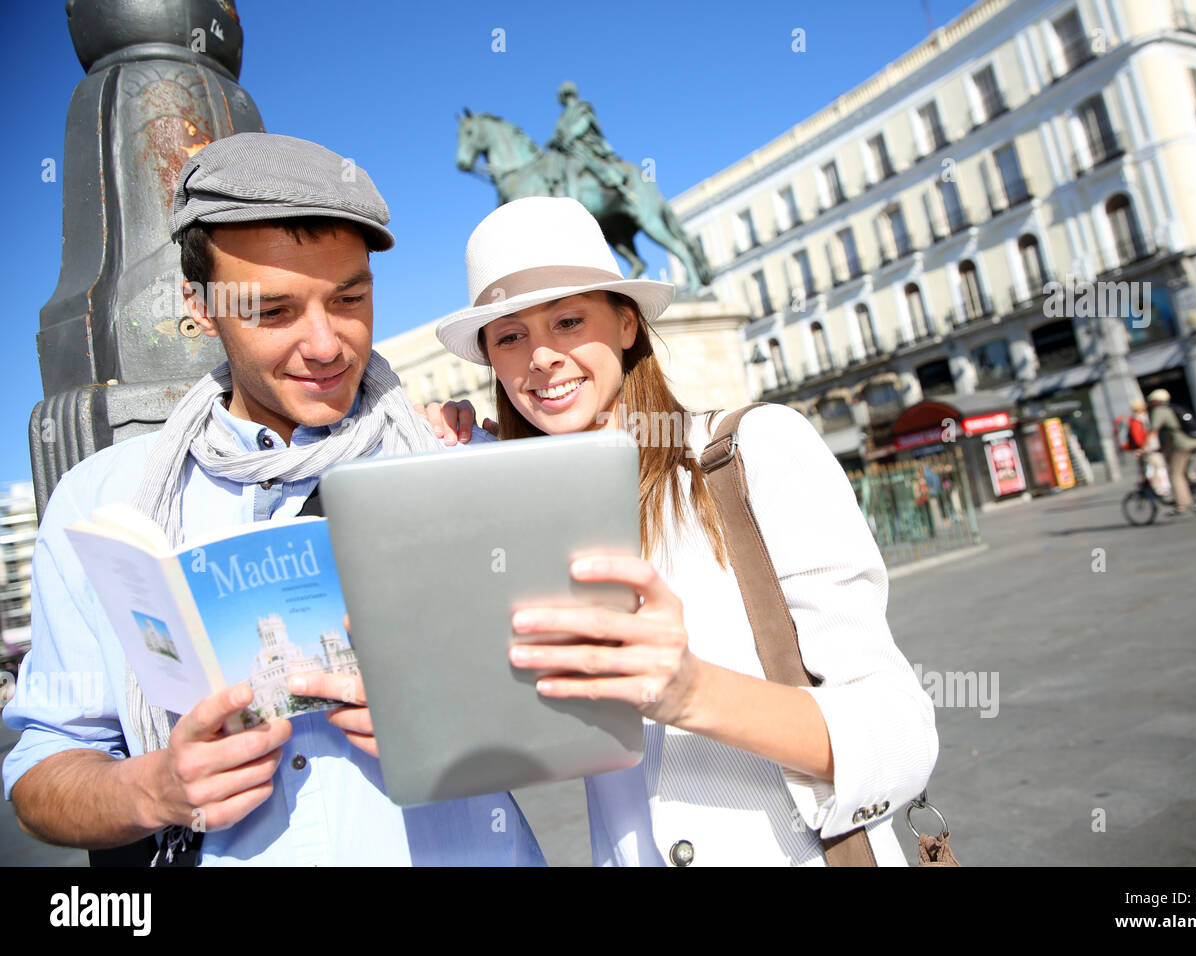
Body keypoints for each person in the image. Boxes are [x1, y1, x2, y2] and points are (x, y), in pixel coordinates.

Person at [2, 133, 543, 866]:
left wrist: (464, 719)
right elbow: (43, 772)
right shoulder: (100, 502)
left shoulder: (463, 463)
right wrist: (154, 791)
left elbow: (593, 708)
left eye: (350, 298)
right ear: (198, 306)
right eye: (273, 311)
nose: (326, 345)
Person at [433, 197, 938, 866]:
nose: (542, 357)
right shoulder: (520, 520)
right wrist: (443, 477)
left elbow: (900, 736)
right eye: (510, 336)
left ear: (625, 325)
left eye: (569, 320)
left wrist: (692, 691)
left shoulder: (755, 450)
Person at [1146, 388, 1196, 516]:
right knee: (1184, 471)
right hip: (1192, 442)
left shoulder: (1159, 411)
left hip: (1181, 445)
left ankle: (1182, 504)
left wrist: (1144, 447)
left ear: (1156, 401)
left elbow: (1154, 430)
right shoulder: (1172, 408)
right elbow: (1171, 432)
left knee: (1175, 474)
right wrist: (1162, 448)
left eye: (1151, 401)